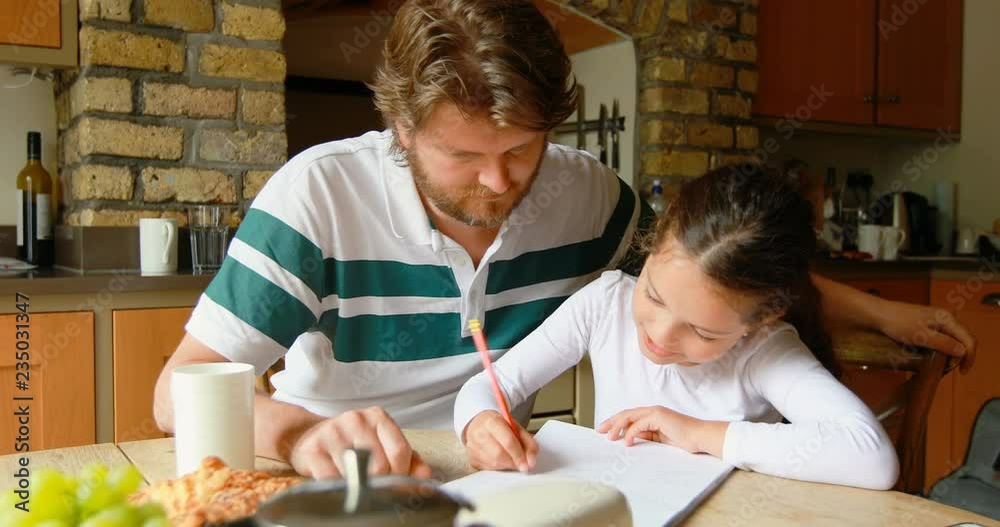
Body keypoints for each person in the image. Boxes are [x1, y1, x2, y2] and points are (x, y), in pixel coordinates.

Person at [152, 0, 974, 481]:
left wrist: (882, 311)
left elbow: (716, 273)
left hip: (509, 477)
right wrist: (297, 433)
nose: (498, 182)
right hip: (349, 479)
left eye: (521, 149)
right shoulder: (317, 196)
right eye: (463, 155)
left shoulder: (584, 193)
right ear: (400, 124)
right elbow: (174, 394)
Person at [455, 165, 900, 490]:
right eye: (653, 295)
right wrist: (480, 422)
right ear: (650, 249)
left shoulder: (764, 351)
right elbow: (491, 385)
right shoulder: (604, 303)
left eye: (702, 332)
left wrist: (699, 433)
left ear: (761, 319)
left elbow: (871, 457)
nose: (661, 336)